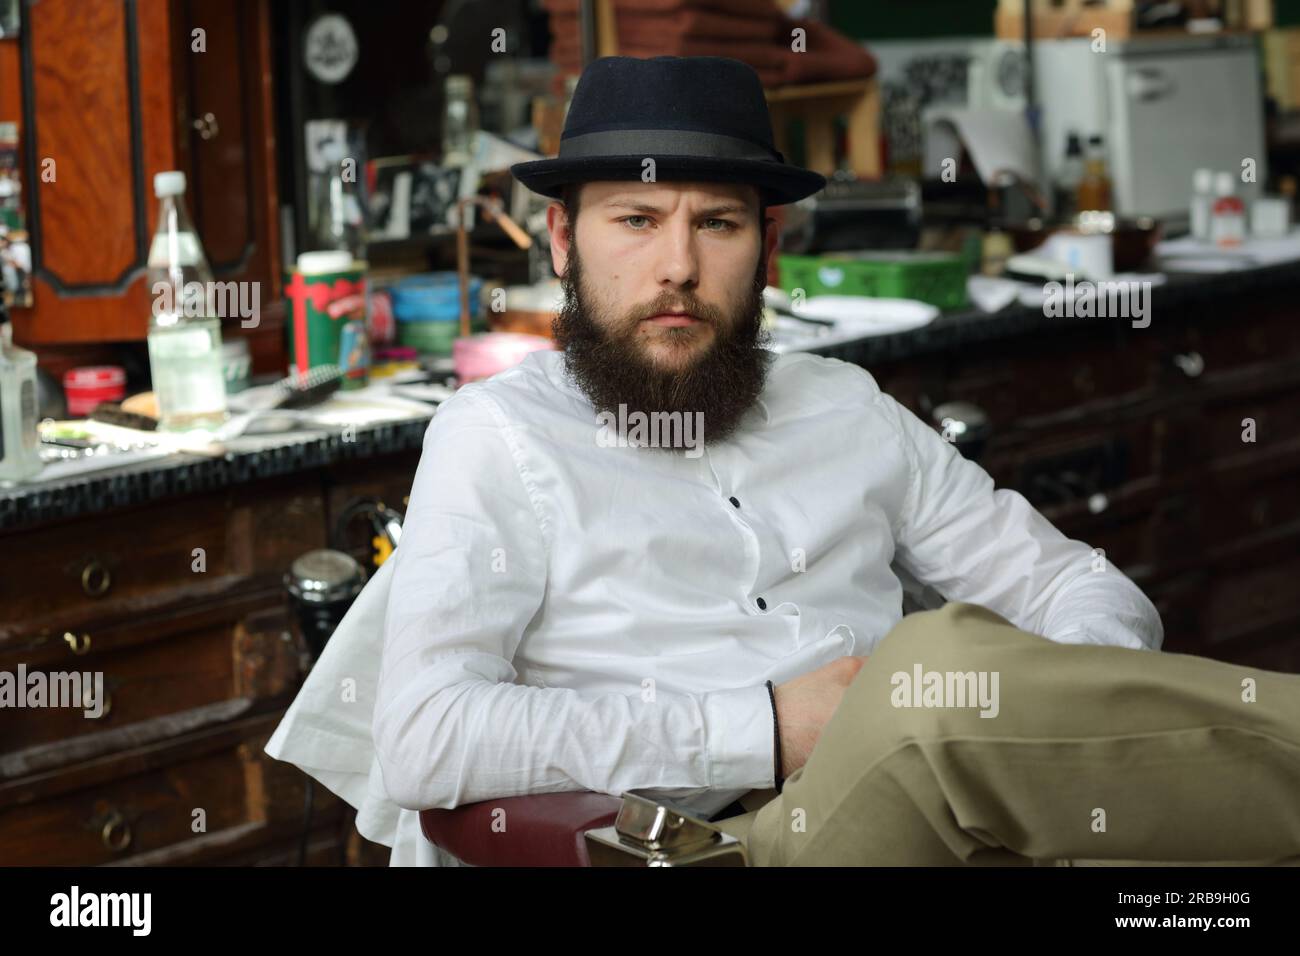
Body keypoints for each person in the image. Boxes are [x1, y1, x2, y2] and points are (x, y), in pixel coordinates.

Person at [271, 56, 1300, 867]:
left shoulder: (844, 405)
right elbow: (422, 734)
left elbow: (1076, 582)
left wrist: (1070, 714)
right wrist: (762, 727)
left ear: (765, 244)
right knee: (931, 675)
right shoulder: (496, 435)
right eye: (635, 221)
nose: (677, 265)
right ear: (559, 238)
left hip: (957, 805)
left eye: (715, 223)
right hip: (713, 844)